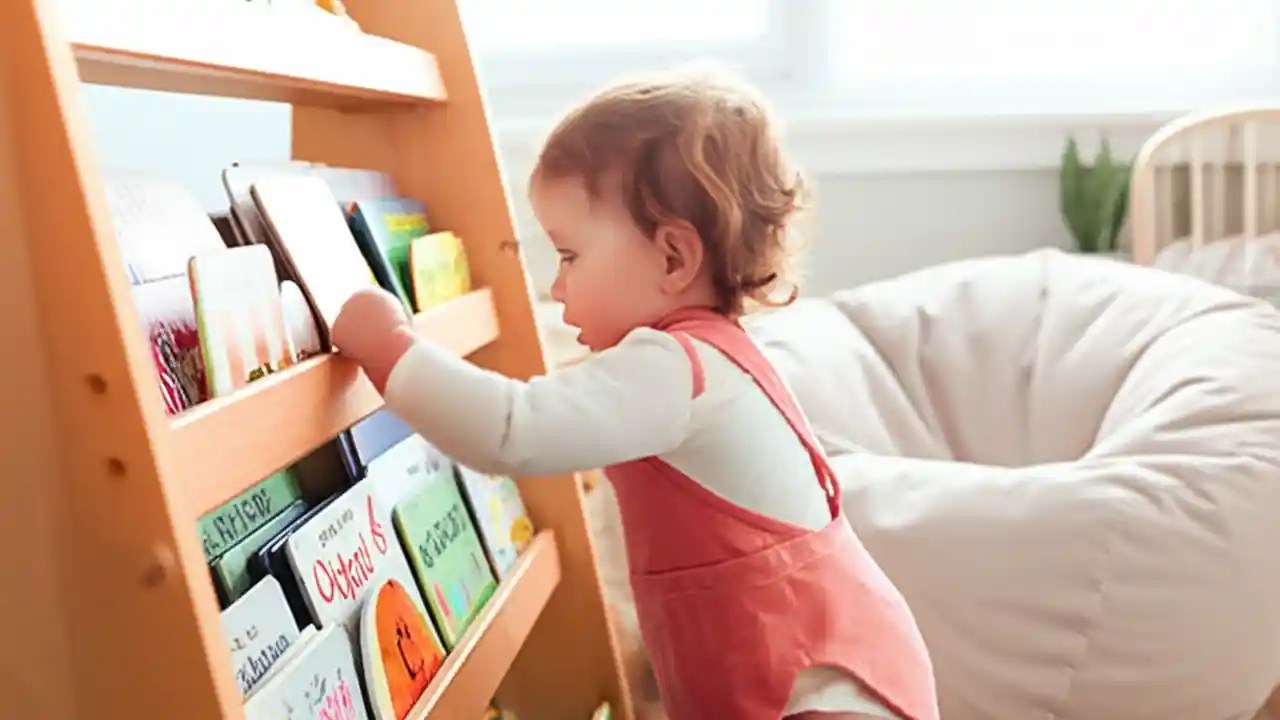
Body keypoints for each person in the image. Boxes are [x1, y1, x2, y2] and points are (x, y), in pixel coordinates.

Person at [331, 65, 938, 720]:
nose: (556, 287)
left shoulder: (672, 368)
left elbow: (512, 428)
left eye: (568, 256)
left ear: (673, 258)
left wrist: (391, 345)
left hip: (818, 687)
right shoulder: (712, 354)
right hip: (822, 663)